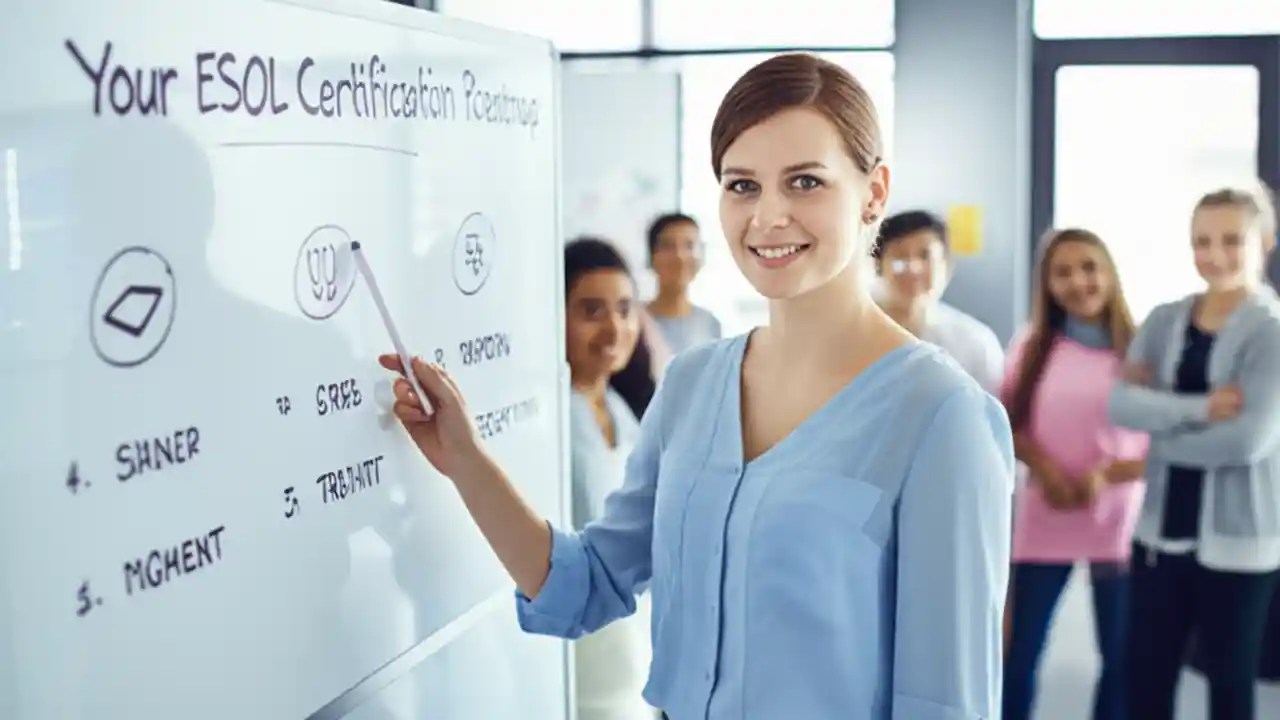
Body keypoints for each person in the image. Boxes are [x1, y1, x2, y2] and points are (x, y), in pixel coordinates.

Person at [378, 52, 1014, 719]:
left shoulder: (941, 416)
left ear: (874, 192)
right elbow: (582, 585)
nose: (768, 216)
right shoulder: (692, 385)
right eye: (742, 185)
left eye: (804, 181)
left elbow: (945, 705)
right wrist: (465, 460)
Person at [1109, 183, 1280, 720]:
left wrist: (1158, 430)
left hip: (1241, 545)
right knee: (1146, 679)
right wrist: (1203, 408)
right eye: (1201, 241)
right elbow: (1121, 406)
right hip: (1159, 536)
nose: (1214, 255)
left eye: (1232, 240)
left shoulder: (1271, 332)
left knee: (1230, 685)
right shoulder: (1164, 320)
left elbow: (1249, 441)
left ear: (1265, 241)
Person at [998, 228, 1149, 720]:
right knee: (1019, 655)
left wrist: (1109, 474)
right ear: (1048, 285)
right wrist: (1045, 467)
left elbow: (1170, 440)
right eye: (1062, 272)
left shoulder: (1143, 351)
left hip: (1119, 520)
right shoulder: (1032, 347)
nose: (1078, 281)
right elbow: (1005, 423)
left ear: (1109, 272)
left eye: (1089, 267)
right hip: (1046, 514)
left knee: (1122, 659)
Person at [561, 236, 657, 720]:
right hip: (575, 659)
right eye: (590, 311)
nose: (614, 328)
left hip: (633, 650)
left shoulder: (626, 409)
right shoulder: (550, 417)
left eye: (624, 309)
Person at [872, 209, 1005, 390]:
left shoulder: (975, 342)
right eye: (900, 257)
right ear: (879, 266)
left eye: (925, 256)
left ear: (946, 266)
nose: (913, 268)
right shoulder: (851, 335)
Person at [644, 213, 723, 354]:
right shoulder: (636, 322)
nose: (680, 256)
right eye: (668, 246)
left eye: (689, 246)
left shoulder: (710, 324)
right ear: (651, 257)